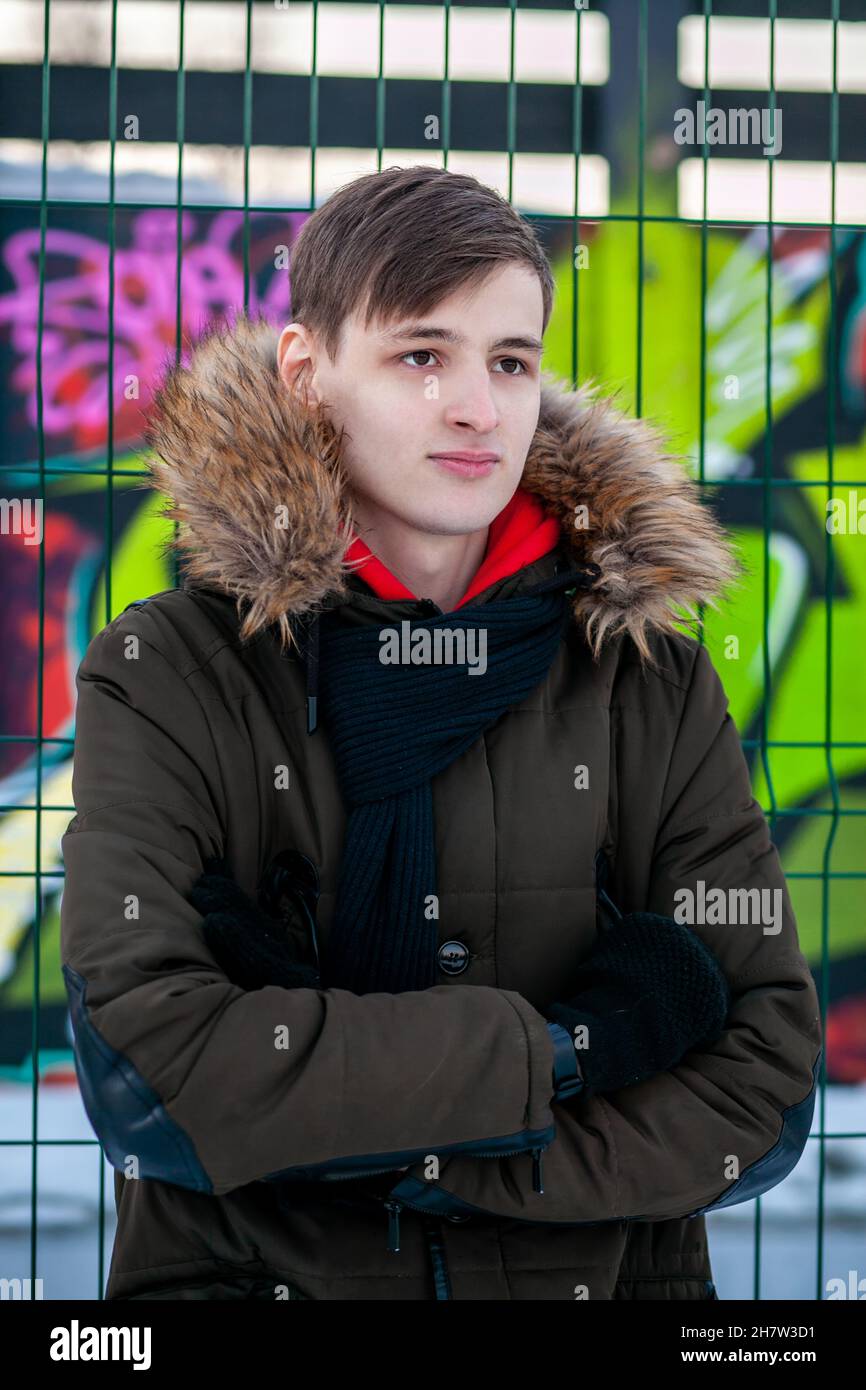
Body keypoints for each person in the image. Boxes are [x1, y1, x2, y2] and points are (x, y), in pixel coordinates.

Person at [60, 164, 822, 1302]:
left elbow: (760, 1084)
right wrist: (571, 1054)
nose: (478, 406)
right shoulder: (170, 668)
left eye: (509, 360)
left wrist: (378, 1146)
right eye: (421, 355)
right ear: (308, 375)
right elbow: (151, 1073)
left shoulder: (645, 675)